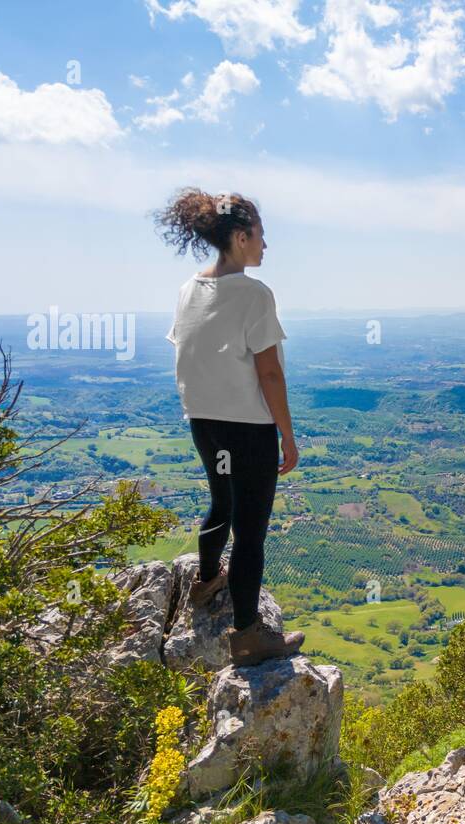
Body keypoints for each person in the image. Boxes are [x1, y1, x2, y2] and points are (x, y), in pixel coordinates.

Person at [154, 188, 304, 667]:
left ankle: (204, 582)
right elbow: (270, 373)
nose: (265, 246)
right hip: (248, 427)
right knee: (251, 531)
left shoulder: (187, 290)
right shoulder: (255, 295)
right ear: (240, 237)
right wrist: (287, 432)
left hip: (203, 420)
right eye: (260, 236)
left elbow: (187, 351)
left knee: (221, 498)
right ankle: (247, 636)